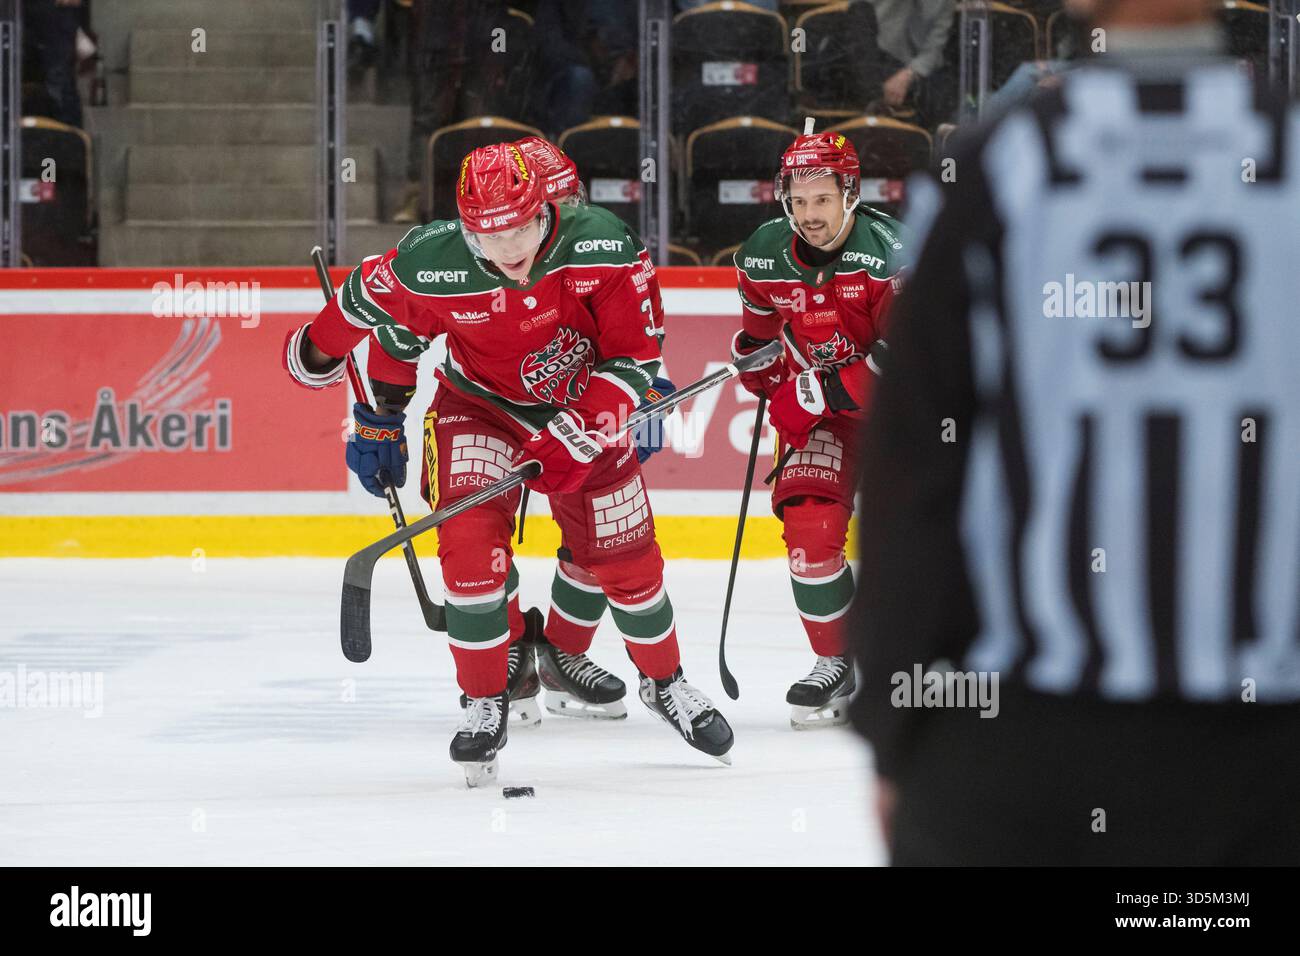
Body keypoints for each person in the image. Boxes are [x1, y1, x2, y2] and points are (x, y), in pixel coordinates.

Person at [849, 0, 1300, 864]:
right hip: (1267, 756)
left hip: (1030, 752)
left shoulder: (995, 167)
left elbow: (916, 468)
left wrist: (896, 726)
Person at [285, 142, 733, 785]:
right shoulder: (432, 259)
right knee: (469, 554)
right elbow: (367, 312)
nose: (508, 248)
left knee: (626, 555)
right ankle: (483, 699)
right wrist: (337, 373)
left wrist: (594, 418)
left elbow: (635, 357)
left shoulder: (604, 246)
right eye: (488, 234)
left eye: (522, 227)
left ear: (546, 206)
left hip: (581, 407)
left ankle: (665, 683)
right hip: (480, 409)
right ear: (464, 226)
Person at [730, 123, 906, 729]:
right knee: (809, 528)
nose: (809, 214)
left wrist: (816, 387)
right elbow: (758, 336)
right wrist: (759, 368)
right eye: (798, 201)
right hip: (829, 419)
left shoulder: (890, 256)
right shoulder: (761, 252)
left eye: (822, 199)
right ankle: (836, 661)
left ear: (850, 194)